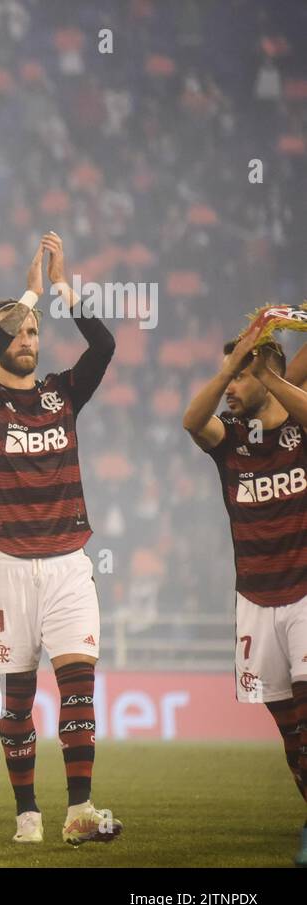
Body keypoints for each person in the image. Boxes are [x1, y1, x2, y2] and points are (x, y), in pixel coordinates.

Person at [0, 232, 120, 846]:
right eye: (17, 333)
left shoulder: (62, 393)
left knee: (78, 683)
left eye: (34, 332)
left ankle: (80, 809)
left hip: (69, 562)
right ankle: (27, 812)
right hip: (8, 564)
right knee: (18, 698)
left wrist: (62, 290)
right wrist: (25, 295)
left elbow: (103, 346)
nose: (28, 341)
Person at [183, 316, 307, 866]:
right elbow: (191, 420)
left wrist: (268, 373)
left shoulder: (300, 429)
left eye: (236, 378)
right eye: (226, 376)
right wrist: (238, 364)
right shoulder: (231, 439)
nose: (229, 386)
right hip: (255, 601)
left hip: (305, 595)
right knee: (290, 733)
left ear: (269, 375)